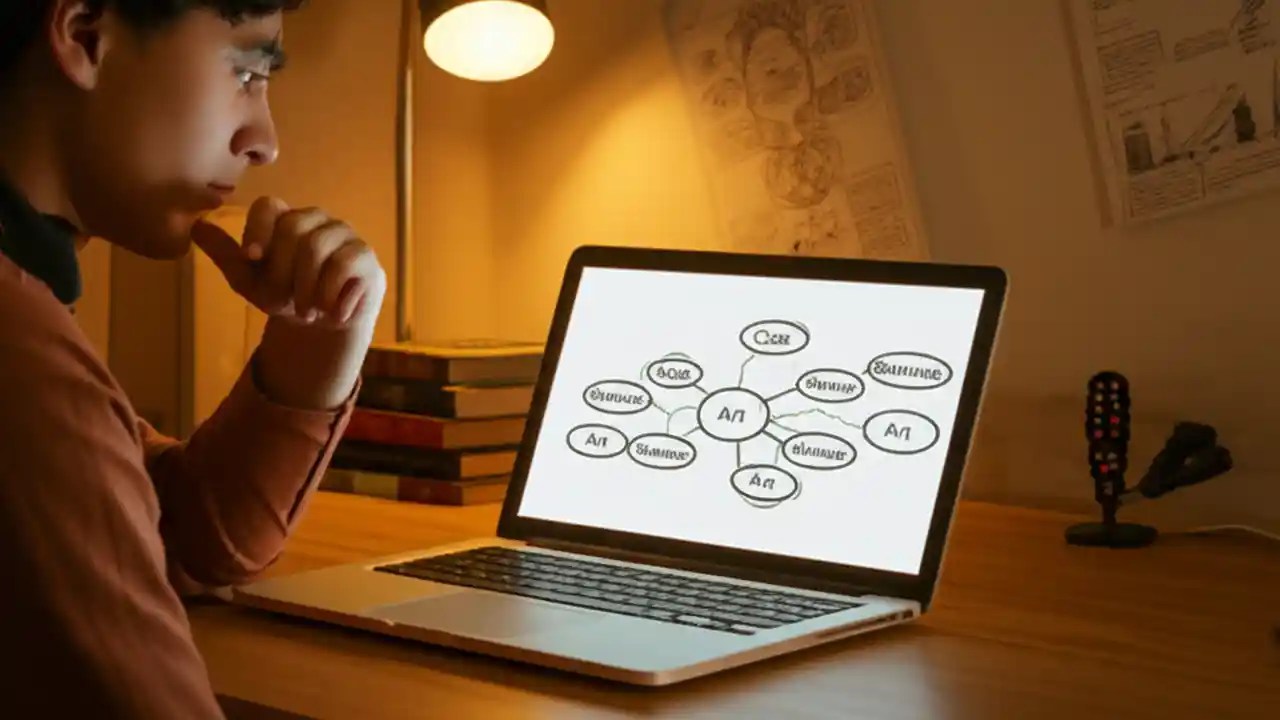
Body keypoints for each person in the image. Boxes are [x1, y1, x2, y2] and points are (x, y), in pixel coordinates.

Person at [0, 1, 387, 717]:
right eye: (245, 69)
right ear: (85, 36)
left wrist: (320, 338)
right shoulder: (22, 360)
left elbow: (177, 536)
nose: (265, 141)